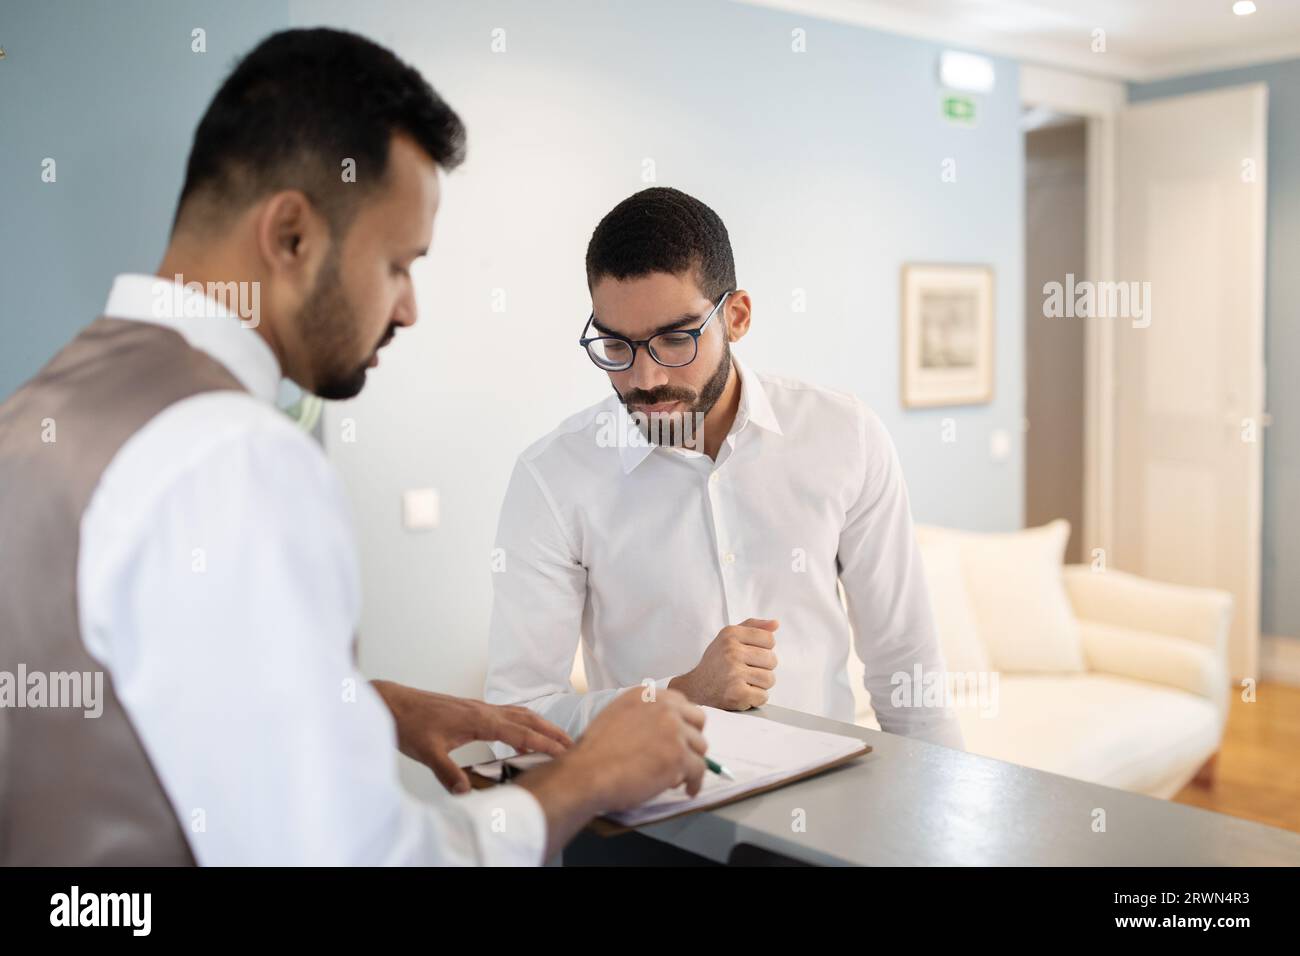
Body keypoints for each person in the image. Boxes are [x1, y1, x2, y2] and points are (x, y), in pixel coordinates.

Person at [0, 29, 707, 866]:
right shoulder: (233, 452)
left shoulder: (39, 411)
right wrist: (589, 777)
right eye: (399, 263)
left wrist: (355, 705)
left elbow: (107, 701)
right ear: (292, 235)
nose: (408, 309)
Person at [485, 187, 963, 750]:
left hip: (829, 803)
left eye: (675, 339)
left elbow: (907, 666)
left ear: (735, 317)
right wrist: (680, 693)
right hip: (653, 818)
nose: (644, 379)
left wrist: (939, 821)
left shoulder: (844, 435)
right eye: (616, 346)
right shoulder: (554, 477)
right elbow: (515, 720)